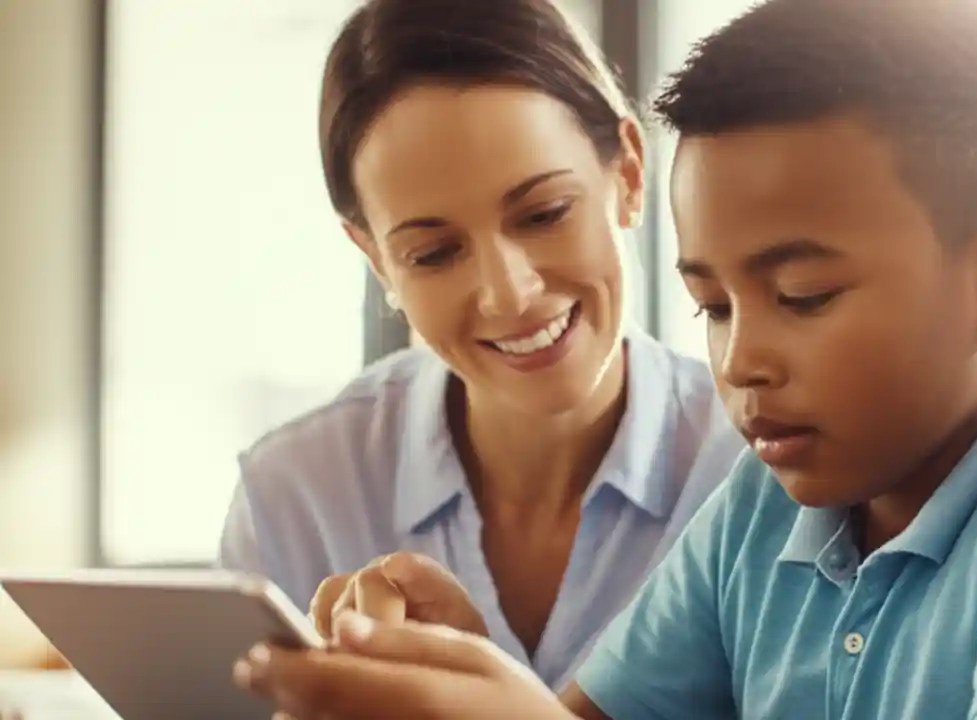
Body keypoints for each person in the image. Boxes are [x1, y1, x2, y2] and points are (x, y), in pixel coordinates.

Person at [233, 0, 977, 718]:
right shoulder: (761, 507)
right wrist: (457, 676)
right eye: (710, 304)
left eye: (802, 297)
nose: (739, 361)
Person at [216, 0, 745, 691]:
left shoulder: (760, 471)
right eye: (433, 253)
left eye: (544, 213)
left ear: (628, 174)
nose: (508, 294)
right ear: (377, 261)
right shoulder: (296, 497)